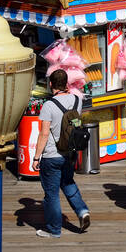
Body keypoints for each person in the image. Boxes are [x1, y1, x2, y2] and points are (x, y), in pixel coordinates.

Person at [31, 69, 91, 238]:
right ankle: (82, 210)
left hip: (51, 155)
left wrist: (36, 157)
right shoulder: (77, 100)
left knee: (51, 194)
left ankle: (54, 229)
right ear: (66, 83)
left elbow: (43, 134)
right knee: (68, 183)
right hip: (69, 153)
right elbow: (76, 122)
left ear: (51, 85)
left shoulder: (48, 106)